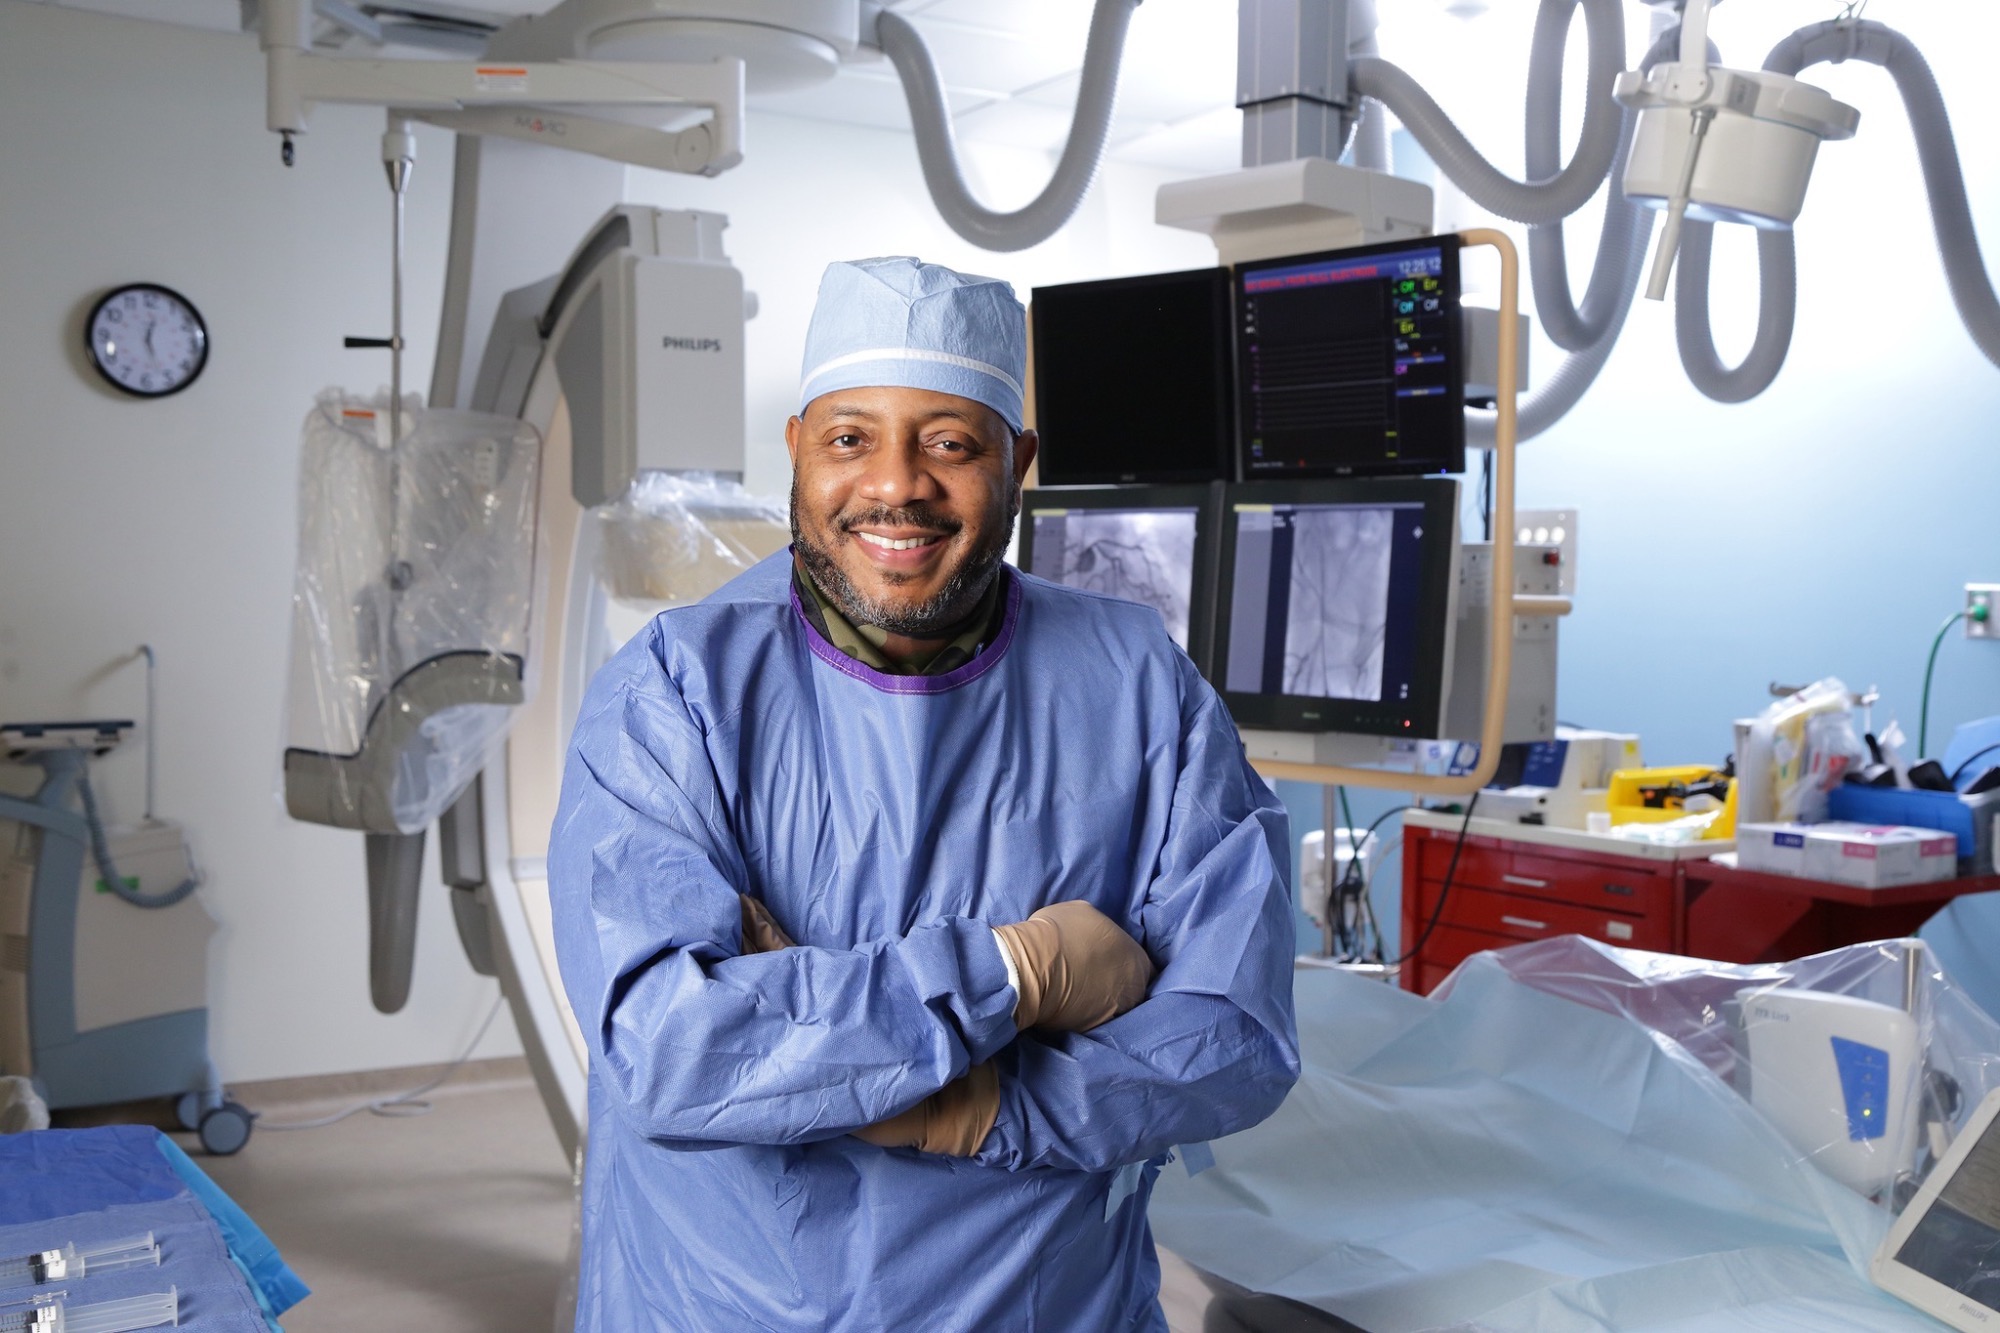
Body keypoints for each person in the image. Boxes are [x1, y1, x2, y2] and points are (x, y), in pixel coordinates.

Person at [549, 256, 1300, 1331]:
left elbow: (1235, 1035)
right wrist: (1015, 974)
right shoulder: (676, 693)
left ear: (1019, 461)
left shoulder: (1140, 688)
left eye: (949, 443)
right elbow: (670, 1051)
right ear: (798, 448)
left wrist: (982, 1104)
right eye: (850, 439)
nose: (896, 484)